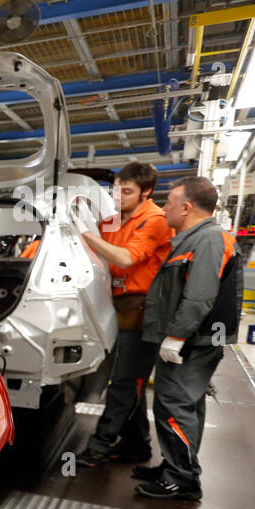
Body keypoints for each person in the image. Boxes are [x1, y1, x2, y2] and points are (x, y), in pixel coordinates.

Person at [133, 177, 241, 500]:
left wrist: (176, 337)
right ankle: (176, 465)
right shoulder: (192, 239)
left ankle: (181, 478)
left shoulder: (208, 239)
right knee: (186, 405)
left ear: (187, 207)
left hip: (195, 341)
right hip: (194, 339)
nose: (164, 208)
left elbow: (199, 297)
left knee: (173, 404)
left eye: (169, 202)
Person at [74, 162, 171, 468]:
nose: (118, 196)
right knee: (131, 384)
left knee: (124, 382)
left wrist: (86, 234)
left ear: (147, 191)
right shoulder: (114, 218)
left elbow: (127, 258)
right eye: (116, 189)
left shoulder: (155, 219)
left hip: (143, 308)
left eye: (127, 191)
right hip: (115, 306)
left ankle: (98, 446)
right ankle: (137, 445)